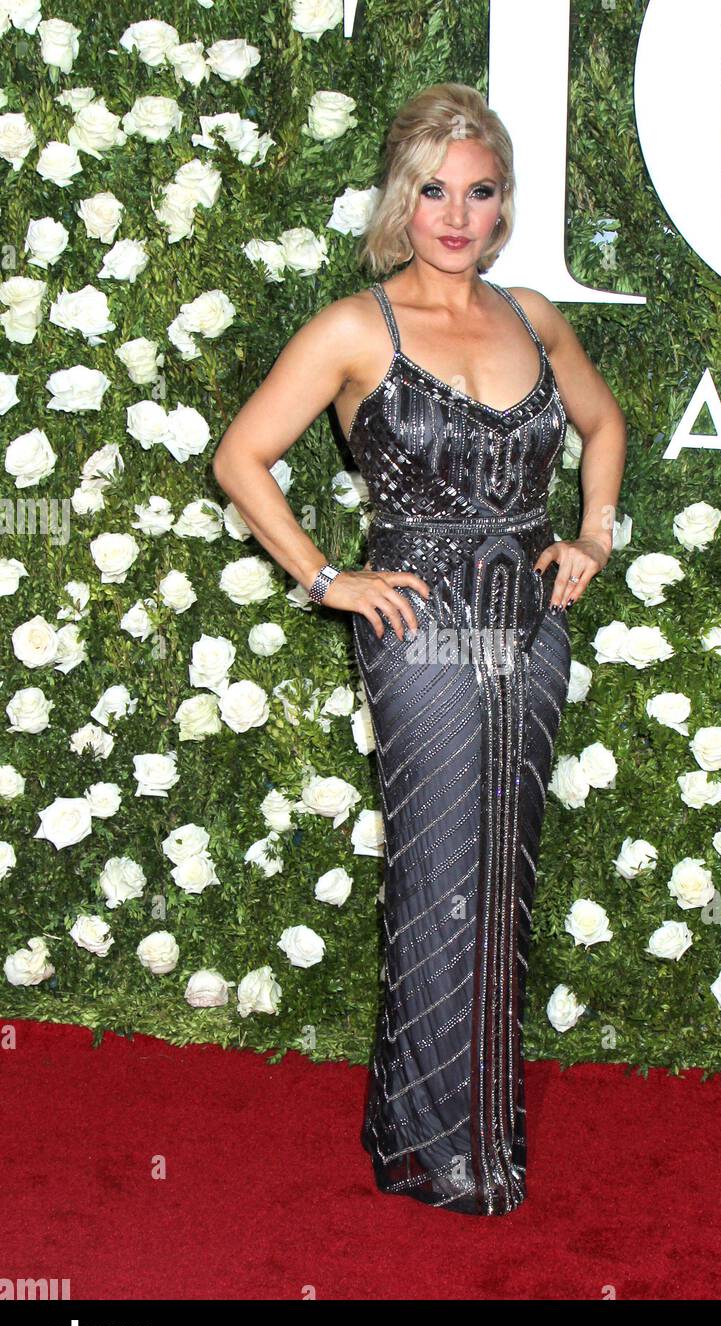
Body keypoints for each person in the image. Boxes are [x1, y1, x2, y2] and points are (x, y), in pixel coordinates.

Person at [212, 82, 626, 1215]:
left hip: (529, 628)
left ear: (501, 206)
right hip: (420, 628)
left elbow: (602, 423)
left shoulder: (532, 315)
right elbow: (241, 457)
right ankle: (432, 1146)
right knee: (440, 870)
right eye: (432, 190)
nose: (455, 213)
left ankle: (463, 1132)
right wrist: (325, 579)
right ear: (403, 199)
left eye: (477, 192)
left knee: (507, 869)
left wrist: (590, 532)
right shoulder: (357, 326)